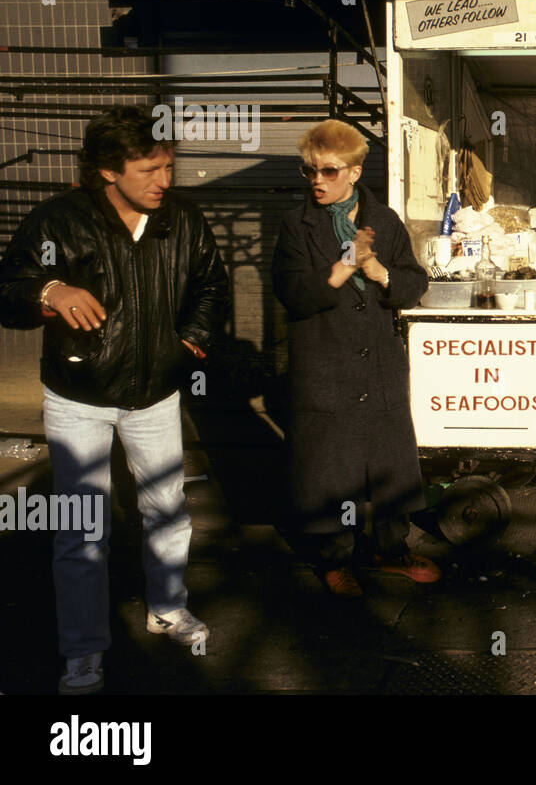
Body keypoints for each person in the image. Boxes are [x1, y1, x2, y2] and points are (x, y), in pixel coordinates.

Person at [0, 106, 230, 694]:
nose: (164, 180)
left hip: (156, 394)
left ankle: (168, 608)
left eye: (169, 166)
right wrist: (49, 288)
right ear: (107, 170)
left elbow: (210, 286)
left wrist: (187, 346)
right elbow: (8, 288)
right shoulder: (58, 222)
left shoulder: (183, 220)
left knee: (167, 512)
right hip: (78, 396)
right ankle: (82, 652)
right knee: (81, 531)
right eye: (149, 168)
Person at [271, 119, 439, 598]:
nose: (317, 182)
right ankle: (334, 559)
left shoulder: (384, 221)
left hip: (379, 363)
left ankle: (391, 548)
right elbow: (292, 292)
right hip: (325, 362)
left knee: (387, 458)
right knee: (331, 465)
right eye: (309, 172)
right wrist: (344, 266)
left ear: (355, 170)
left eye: (327, 171)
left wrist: (378, 269)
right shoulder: (295, 224)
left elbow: (413, 284)